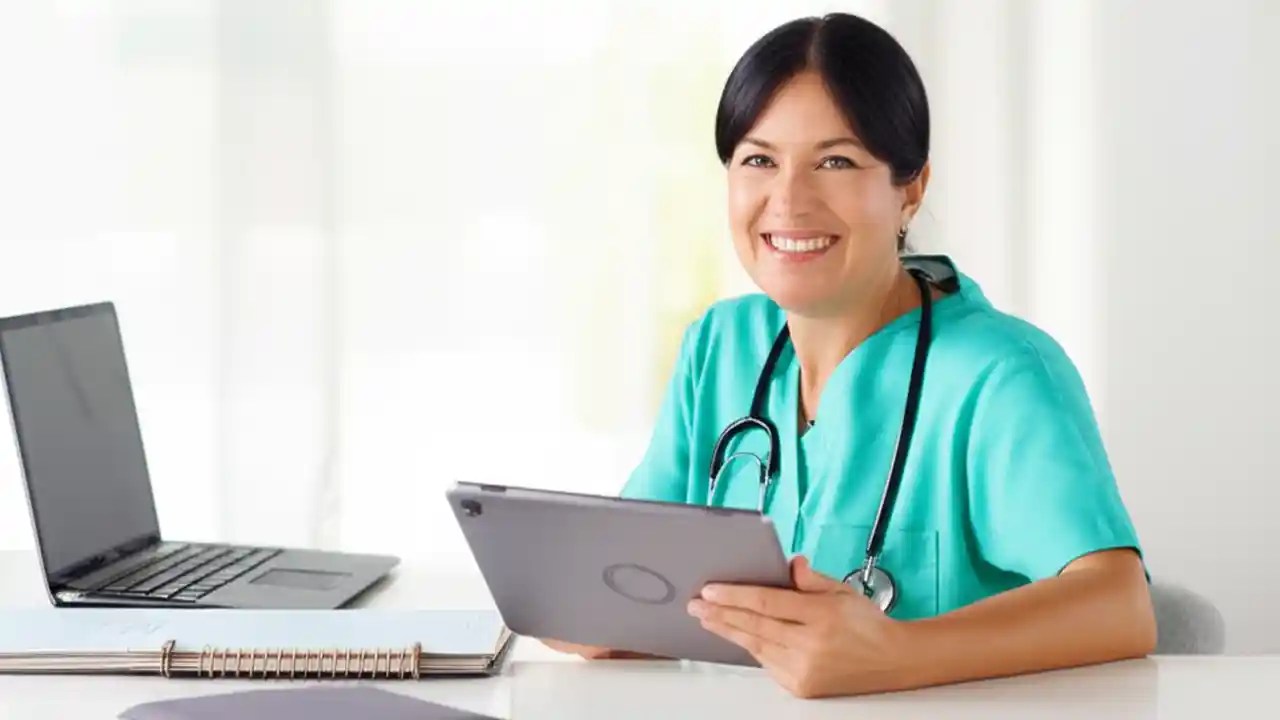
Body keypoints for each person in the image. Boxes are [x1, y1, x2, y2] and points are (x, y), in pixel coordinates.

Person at [543, 12, 1155, 697]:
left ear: (910, 189)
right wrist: (604, 618)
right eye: (759, 160)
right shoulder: (718, 348)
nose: (789, 201)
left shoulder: (1001, 375)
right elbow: (635, 573)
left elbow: (1120, 604)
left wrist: (899, 653)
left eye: (835, 161)